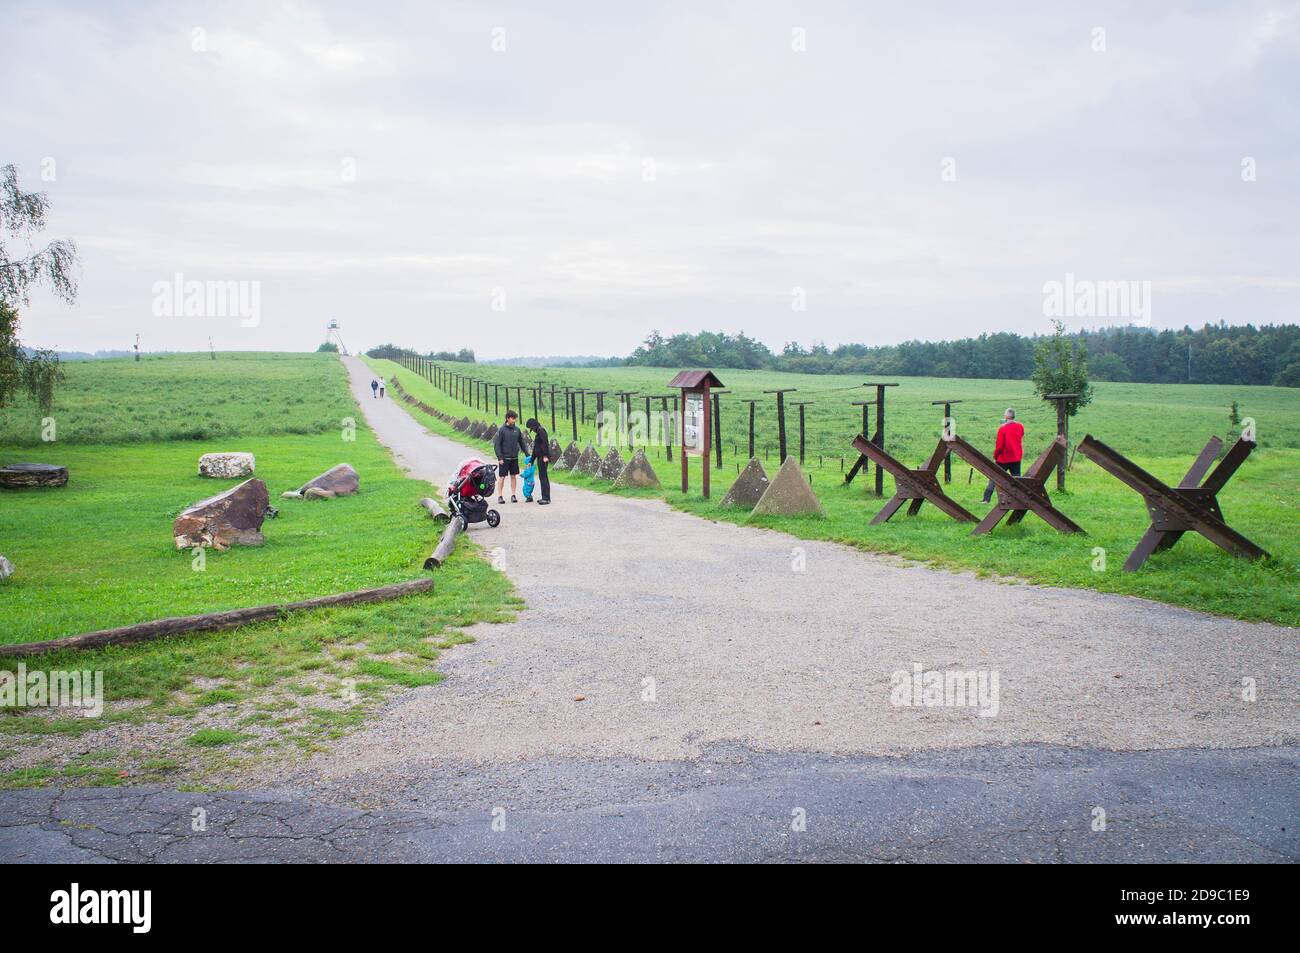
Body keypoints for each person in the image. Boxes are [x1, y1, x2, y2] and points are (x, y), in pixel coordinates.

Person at [982, 407, 1024, 503]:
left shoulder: (1003, 428)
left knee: (994, 477)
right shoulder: (1020, 426)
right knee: (1017, 480)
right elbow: (1020, 436)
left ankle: (986, 499)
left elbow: (999, 446)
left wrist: (996, 456)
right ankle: (1020, 499)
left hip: (1003, 459)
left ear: (1006, 416)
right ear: (1014, 416)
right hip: (1016, 457)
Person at [493, 410, 524, 502]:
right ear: (508, 418)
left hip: (514, 457)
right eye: (513, 418)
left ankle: (513, 495)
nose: (514, 420)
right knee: (502, 477)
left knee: (513, 476)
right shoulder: (501, 430)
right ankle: (500, 496)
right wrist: (500, 457)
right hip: (504, 458)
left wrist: (527, 455)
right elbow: (497, 445)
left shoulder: (517, 430)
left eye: (515, 419)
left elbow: (522, 443)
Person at [525, 417, 551, 505]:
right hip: (540, 457)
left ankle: (546, 498)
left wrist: (545, 456)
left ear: (534, 426)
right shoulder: (538, 432)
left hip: (543, 458)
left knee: (543, 477)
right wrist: (531, 461)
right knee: (542, 477)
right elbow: (536, 449)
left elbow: (545, 444)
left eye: (531, 428)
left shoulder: (541, 431)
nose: (532, 430)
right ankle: (545, 497)